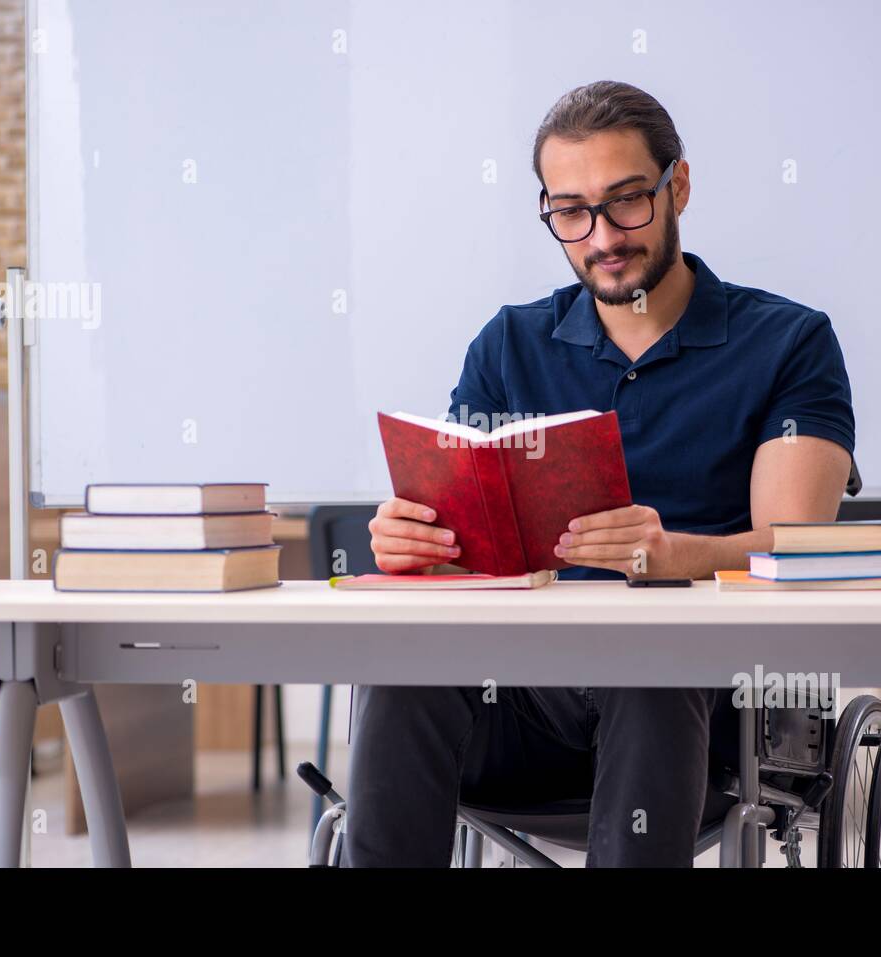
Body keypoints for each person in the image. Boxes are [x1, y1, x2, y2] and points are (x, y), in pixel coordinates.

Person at [344, 80, 855, 867]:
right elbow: (466, 541)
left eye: (626, 203)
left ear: (677, 185)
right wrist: (419, 542)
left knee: (649, 658)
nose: (602, 236)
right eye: (570, 212)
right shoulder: (509, 346)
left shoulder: (787, 342)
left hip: (715, 712)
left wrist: (675, 556)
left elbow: (801, 549)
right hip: (522, 708)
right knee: (401, 665)